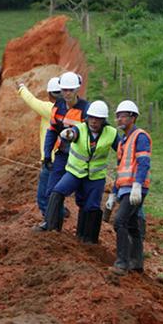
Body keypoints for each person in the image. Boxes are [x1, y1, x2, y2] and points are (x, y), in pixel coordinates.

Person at [42, 100, 118, 244]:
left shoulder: (111, 133)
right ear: (87, 117)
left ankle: (88, 240)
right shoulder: (80, 128)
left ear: (103, 120)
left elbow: (121, 149)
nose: (94, 122)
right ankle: (51, 229)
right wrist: (68, 134)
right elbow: (73, 134)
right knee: (57, 192)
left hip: (95, 177)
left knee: (92, 206)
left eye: (98, 119)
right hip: (75, 173)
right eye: (92, 118)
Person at [36, 70, 88, 230]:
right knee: (52, 190)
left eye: (70, 90)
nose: (67, 93)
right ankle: (52, 226)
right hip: (62, 155)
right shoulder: (58, 106)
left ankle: (84, 231)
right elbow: (52, 131)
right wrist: (47, 155)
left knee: (83, 195)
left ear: (77, 89)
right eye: (64, 90)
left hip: (80, 158)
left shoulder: (85, 109)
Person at [106, 100, 151, 275]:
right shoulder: (123, 141)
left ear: (133, 117)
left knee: (120, 221)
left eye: (123, 116)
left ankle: (122, 263)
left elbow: (144, 162)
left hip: (135, 189)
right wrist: (113, 193)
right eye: (117, 116)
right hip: (125, 188)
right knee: (132, 225)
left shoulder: (140, 136)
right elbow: (121, 169)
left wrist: (137, 185)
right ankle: (136, 263)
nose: (119, 119)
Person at [15, 75, 60, 218]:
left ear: (49, 94)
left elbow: (32, 101)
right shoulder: (68, 111)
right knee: (56, 191)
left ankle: (50, 220)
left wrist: (21, 88)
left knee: (43, 197)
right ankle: (59, 213)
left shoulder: (50, 109)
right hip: (62, 160)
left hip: (51, 160)